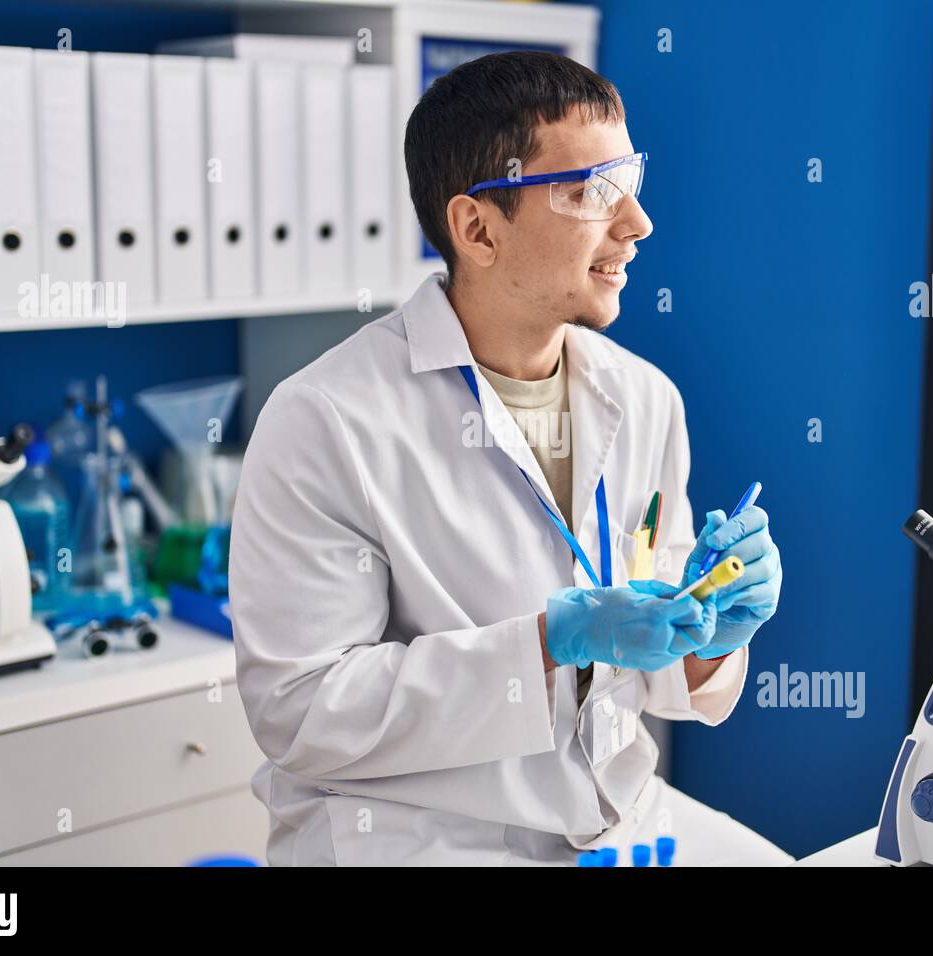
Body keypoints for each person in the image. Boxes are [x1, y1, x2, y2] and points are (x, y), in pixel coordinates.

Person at [229, 51, 789, 866]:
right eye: (594, 190)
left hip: (617, 818)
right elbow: (304, 712)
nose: (637, 224)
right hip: (420, 839)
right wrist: (545, 643)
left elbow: (653, 662)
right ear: (478, 229)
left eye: (630, 179)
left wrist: (708, 628)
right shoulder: (326, 420)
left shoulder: (644, 398)